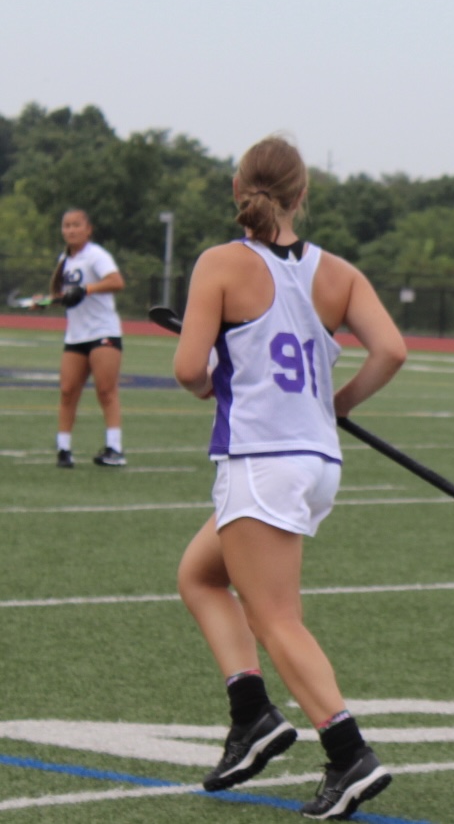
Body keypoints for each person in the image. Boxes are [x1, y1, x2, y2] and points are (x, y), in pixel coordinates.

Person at [173, 135, 407, 819]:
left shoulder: (220, 263)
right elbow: (391, 350)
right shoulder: (339, 274)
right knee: (199, 576)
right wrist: (338, 403)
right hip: (314, 462)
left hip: (261, 461)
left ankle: (349, 753)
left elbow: (189, 371)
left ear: (238, 188)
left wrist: (213, 380)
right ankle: (252, 715)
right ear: (302, 195)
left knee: (275, 618)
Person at [32, 208, 127, 468]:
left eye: (76, 225)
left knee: (106, 391)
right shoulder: (65, 258)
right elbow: (65, 296)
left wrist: (87, 289)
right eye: (67, 225)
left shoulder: (96, 255)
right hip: (76, 335)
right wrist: (45, 302)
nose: (71, 230)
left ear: (88, 229)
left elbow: (116, 282)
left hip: (103, 332)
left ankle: (115, 449)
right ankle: (63, 450)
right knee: (67, 391)